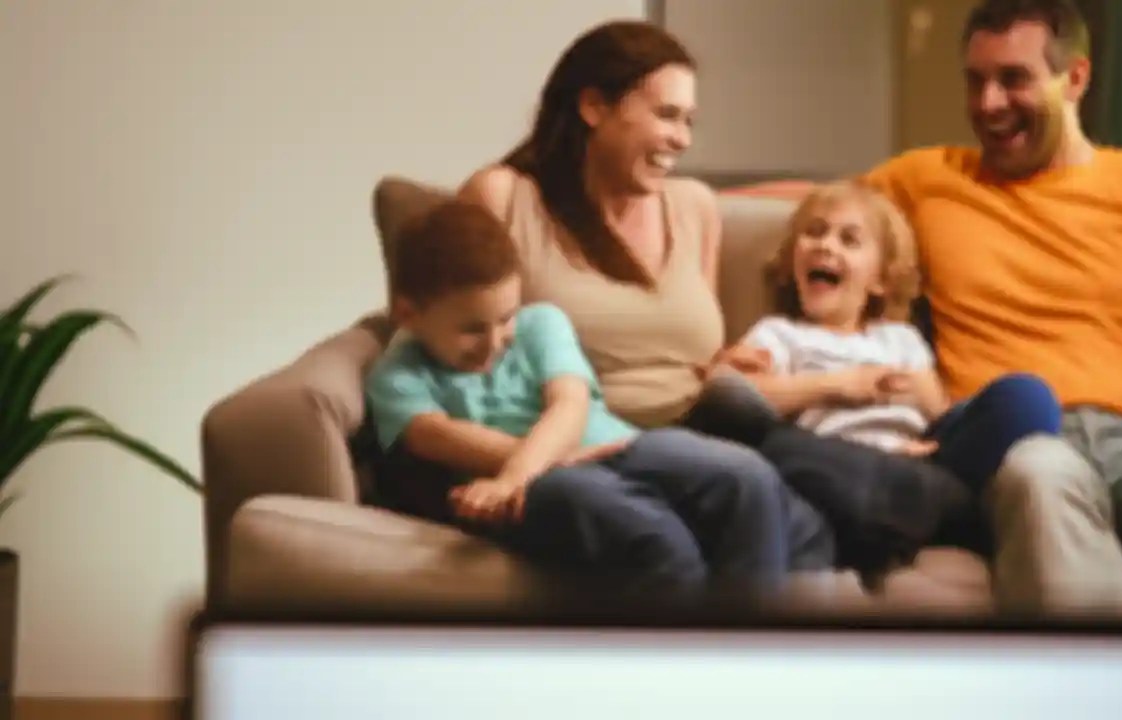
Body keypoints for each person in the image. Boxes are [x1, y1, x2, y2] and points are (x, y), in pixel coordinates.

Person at [456, 19, 983, 583]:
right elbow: (447, 357)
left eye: (688, 121)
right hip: (578, 444)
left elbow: (698, 357)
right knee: (728, 504)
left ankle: (911, 496)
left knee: (799, 518)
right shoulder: (505, 198)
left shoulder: (693, 206)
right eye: (665, 115)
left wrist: (727, 365)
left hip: (698, 435)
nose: (682, 139)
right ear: (593, 107)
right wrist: (525, 460)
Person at [845, 0, 1122, 616]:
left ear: (1074, 78)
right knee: (1041, 474)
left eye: (1013, 79)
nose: (988, 104)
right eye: (975, 80)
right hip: (1022, 438)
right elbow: (818, 214)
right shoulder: (926, 179)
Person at [364, 200, 792, 596]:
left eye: (505, 318)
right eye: (472, 329)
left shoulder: (540, 324)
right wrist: (528, 473)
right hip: (543, 487)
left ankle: (750, 658)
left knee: (749, 478)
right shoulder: (397, 375)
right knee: (657, 541)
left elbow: (569, 404)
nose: (495, 342)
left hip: (618, 446)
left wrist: (522, 469)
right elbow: (437, 437)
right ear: (408, 314)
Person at [737, 180, 1062, 492]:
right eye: (814, 232)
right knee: (787, 452)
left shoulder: (900, 338)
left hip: (922, 462)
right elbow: (739, 395)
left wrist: (918, 395)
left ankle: (930, 493)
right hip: (838, 467)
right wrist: (841, 386)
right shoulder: (780, 334)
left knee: (1028, 398)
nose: (826, 244)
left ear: (880, 279)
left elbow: (937, 414)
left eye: (849, 240)